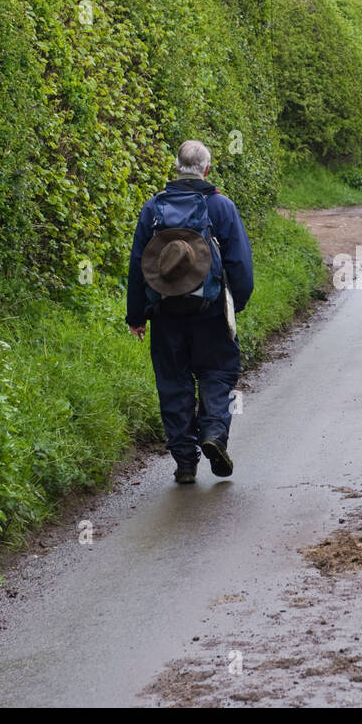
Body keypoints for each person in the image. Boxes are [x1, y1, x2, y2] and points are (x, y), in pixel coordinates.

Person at [126, 140, 254, 483]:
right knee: (218, 372)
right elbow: (239, 263)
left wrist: (136, 315)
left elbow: (140, 264)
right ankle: (213, 433)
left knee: (173, 383)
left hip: (166, 313)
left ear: (177, 166)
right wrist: (235, 302)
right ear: (206, 169)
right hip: (210, 312)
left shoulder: (153, 209)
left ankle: (185, 462)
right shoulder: (222, 208)